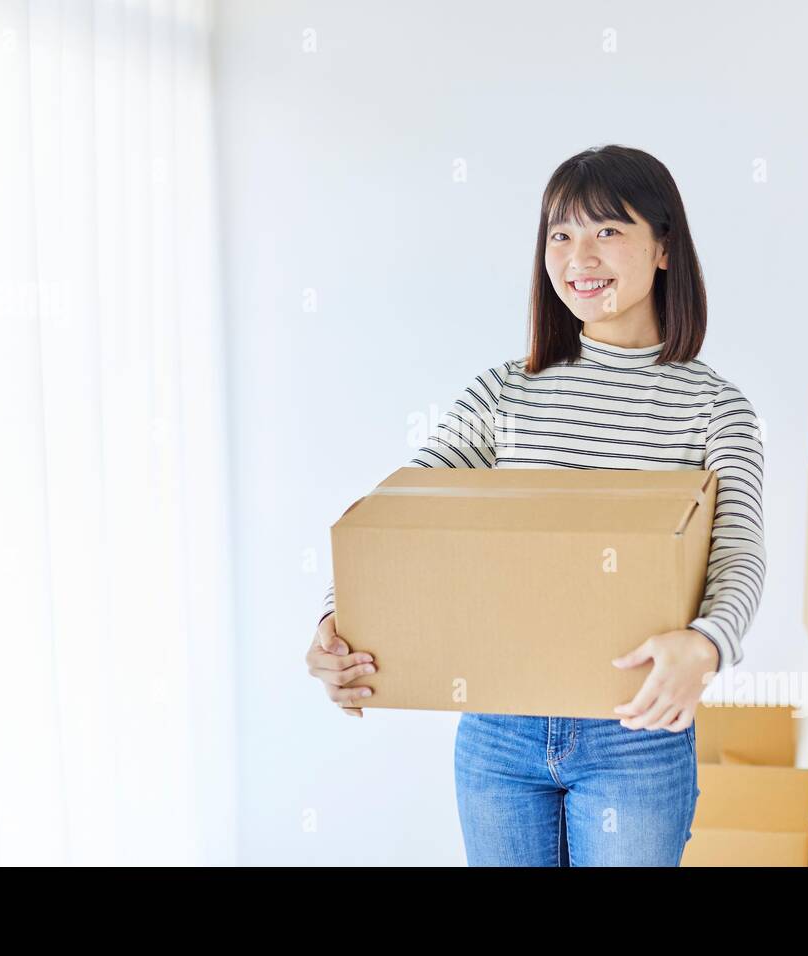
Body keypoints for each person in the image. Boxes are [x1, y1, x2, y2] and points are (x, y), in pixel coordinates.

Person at [304, 144, 766, 866]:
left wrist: (707, 644)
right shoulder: (503, 394)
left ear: (665, 248)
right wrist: (339, 620)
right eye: (560, 233)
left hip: (635, 730)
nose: (579, 255)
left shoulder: (716, 407)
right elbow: (397, 515)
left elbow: (738, 551)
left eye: (608, 230)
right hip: (497, 730)